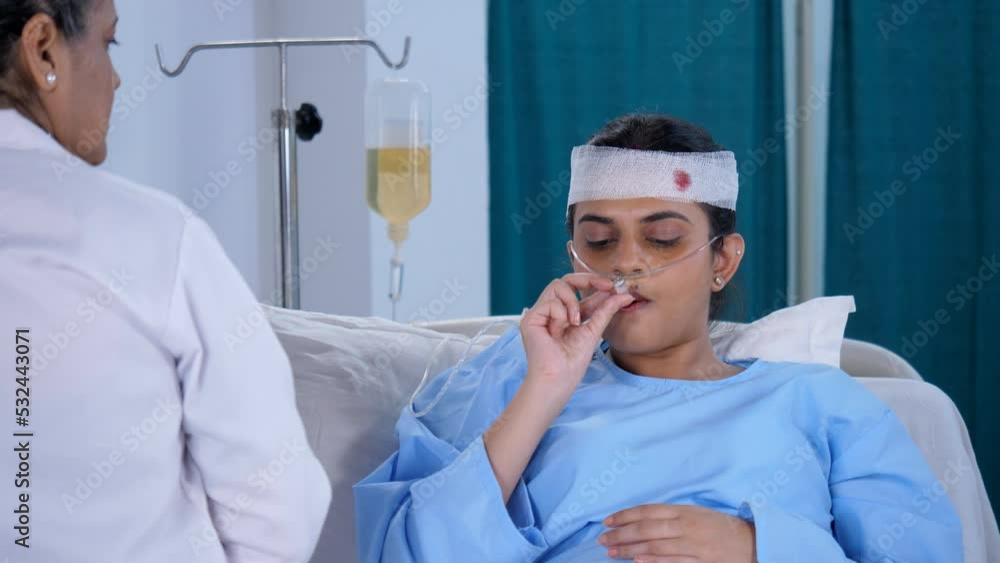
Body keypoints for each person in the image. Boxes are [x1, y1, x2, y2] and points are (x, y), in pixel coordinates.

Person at [354, 114, 963, 562]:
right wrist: (545, 388)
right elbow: (410, 555)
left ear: (722, 258)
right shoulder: (504, 382)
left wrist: (759, 548)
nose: (627, 264)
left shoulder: (825, 404)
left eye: (663, 238)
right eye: (599, 240)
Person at [0, 1, 331, 561]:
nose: (117, 76)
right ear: (43, 47)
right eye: (110, 43)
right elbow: (279, 505)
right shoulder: (152, 238)